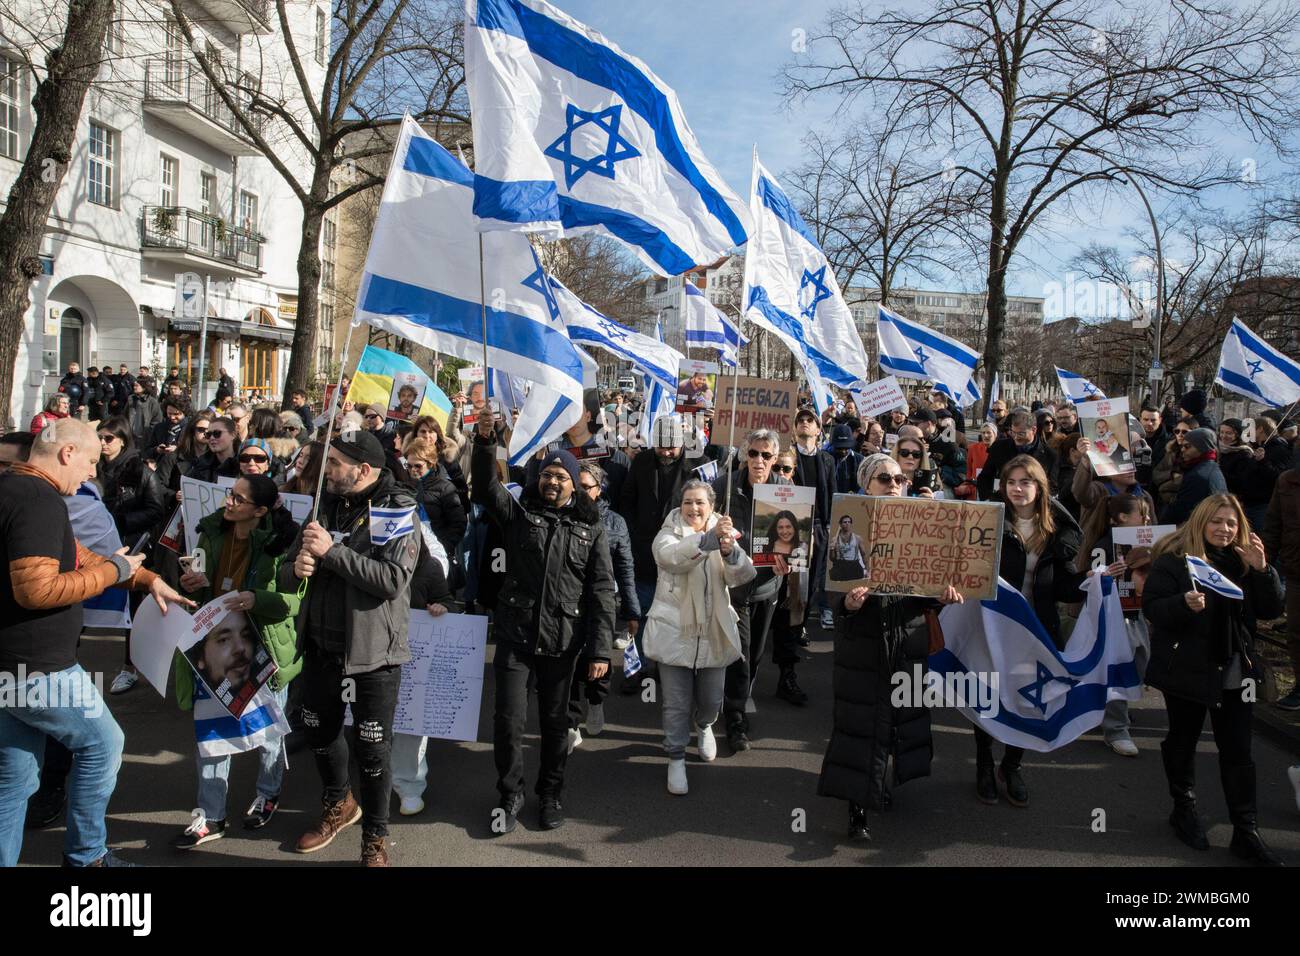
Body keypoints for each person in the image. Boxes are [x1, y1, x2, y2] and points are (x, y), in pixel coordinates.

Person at [0, 417, 191, 867]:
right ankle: (87, 858)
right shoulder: (39, 500)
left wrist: (142, 577)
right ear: (66, 453)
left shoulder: (12, 489)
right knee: (102, 744)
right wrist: (116, 572)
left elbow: (70, 554)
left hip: (11, 667)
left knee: (14, 779)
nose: (91, 473)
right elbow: (37, 589)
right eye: (88, 462)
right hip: (38, 667)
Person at [278, 429, 421, 867]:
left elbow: (391, 580)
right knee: (320, 733)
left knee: (372, 749)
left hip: (373, 654)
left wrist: (330, 554)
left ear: (364, 470)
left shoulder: (397, 508)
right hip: (321, 647)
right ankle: (339, 803)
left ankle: (375, 839)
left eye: (336, 462)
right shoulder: (324, 502)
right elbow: (286, 567)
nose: (326, 468)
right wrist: (296, 567)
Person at [470, 414, 615, 833]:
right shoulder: (518, 515)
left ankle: (550, 793)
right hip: (515, 637)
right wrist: (485, 442)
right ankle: (509, 793)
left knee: (556, 725)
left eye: (561, 477)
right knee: (508, 720)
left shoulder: (592, 528)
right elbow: (484, 488)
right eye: (547, 475)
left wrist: (600, 650)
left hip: (563, 642)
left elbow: (603, 590)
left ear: (574, 484)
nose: (553, 482)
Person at [818, 453, 964, 841]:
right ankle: (857, 808)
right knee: (860, 724)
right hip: (863, 644)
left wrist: (941, 596)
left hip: (907, 636)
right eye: (884, 477)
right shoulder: (848, 525)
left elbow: (929, 590)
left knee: (899, 719)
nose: (894, 482)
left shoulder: (921, 524)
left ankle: (886, 779)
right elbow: (832, 585)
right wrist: (846, 604)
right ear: (867, 484)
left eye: (900, 476)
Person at [1143, 494, 1283, 866]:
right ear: (1201, 521)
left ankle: (1246, 829)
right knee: (1183, 740)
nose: (1224, 529)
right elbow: (1152, 607)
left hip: (1235, 667)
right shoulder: (1175, 559)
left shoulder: (1245, 561)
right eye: (1216, 521)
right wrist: (1182, 605)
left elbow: (1270, 610)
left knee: (1238, 750)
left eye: (1231, 523)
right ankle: (1183, 809)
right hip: (1187, 666)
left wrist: (1262, 570)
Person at [172, 475, 302, 848]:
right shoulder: (210, 531)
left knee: (269, 731)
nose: (228, 502)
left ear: (260, 510)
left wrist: (256, 599)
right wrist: (190, 583)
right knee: (211, 733)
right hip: (215, 647)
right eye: (230, 495)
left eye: (238, 499)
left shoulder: (280, 543)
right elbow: (192, 582)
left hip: (265, 649)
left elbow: (293, 602)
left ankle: (268, 792)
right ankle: (211, 815)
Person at [974, 455, 1085, 807]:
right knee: (988, 698)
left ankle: (1012, 765)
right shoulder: (988, 522)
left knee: (1028, 701)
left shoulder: (1057, 533)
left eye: (1025, 482)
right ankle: (983, 764)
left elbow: (1064, 587)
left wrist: (1094, 583)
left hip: (1037, 629)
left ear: (1040, 487)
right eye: (1011, 482)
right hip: (993, 626)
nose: (1018, 489)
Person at [642, 479, 756, 794]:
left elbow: (743, 576)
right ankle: (676, 756)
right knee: (676, 703)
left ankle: (704, 725)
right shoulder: (668, 534)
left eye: (700, 503)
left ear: (711, 507)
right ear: (680, 505)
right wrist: (707, 541)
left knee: (711, 699)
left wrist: (731, 552)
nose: (694, 508)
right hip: (674, 631)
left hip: (713, 631)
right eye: (688, 502)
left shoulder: (725, 531)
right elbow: (671, 559)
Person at [713, 428, 790, 752]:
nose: (759, 460)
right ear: (745, 454)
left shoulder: (787, 492)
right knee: (740, 656)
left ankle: (738, 698)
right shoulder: (724, 486)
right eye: (754, 453)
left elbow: (800, 536)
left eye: (767, 455)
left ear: (775, 459)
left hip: (768, 585)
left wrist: (791, 555)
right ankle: (735, 719)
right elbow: (701, 521)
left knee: (756, 655)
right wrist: (718, 532)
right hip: (736, 587)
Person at [567, 461, 639, 750]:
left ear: (599, 490)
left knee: (597, 659)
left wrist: (632, 610)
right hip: (567, 601)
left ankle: (595, 701)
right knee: (567, 661)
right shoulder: (561, 513)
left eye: (587, 487)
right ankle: (571, 722)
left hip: (602, 602)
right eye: (577, 485)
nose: (581, 491)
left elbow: (626, 568)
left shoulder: (615, 523)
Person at [95, 416, 167, 695]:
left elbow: (156, 509)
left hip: (132, 547)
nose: (102, 443)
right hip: (96, 546)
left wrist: (120, 521)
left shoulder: (140, 470)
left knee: (131, 611)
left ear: (123, 440)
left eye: (108, 438)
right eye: (100, 437)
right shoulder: (93, 468)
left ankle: (130, 667)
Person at [620, 415, 690, 688]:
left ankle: (665, 668)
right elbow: (627, 501)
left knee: (672, 618)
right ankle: (635, 670)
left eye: (672, 447)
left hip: (678, 557)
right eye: (661, 447)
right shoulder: (641, 462)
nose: (667, 453)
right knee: (640, 616)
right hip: (644, 554)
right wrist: (633, 534)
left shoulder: (694, 467)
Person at [1088, 495, 1155, 756]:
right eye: (1142, 514)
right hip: (1113, 617)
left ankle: (1111, 707)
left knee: (1141, 663)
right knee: (1118, 668)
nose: (1147, 519)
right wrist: (1103, 576)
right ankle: (1116, 728)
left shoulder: (1148, 545)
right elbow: (1088, 582)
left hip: (1138, 614)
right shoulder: (1104, 546)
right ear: (1122, 518)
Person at [764, 479, 811, 705]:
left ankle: (787, 678)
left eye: (789, 526)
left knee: (789, 632)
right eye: (780, 527)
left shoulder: (801, 547)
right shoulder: (765, 544)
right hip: (761, 585)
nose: (785, 530)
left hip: (791, 587)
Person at [1262, 455, 1300, 711]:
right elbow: (1273, 526)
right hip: (1296, 570)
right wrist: (1261, 563)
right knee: (1296, 633)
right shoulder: (1287, 481)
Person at [792, 407, 836, 629]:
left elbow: (833, 492)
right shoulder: (787, 457)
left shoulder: (827, 460)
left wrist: (829, 526)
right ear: (794, 428)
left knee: (811, 580)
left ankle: (800, 626)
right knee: (792, 578)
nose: (805, 423)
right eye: (801, 420)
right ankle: (787, 628)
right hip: (792, 525)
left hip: (818, 526)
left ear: (819, 430)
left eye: (810, 420)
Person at [403, 437, 468, 565]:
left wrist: (442, 548)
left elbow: (458, 524)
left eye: (418, 466)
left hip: (435, 556)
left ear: (430, 463)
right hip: (408, 552)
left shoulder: (445, 487)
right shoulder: (403, 484)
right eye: (409, 466)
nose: (413, 470)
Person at [977, 411, 1059, 500]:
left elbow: (1052, 486)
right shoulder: (999, 448)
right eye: (1013, 432)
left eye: (1021, 433)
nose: (1016, 437)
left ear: (1034, 430)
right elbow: (985, 477)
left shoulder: (1050, 455)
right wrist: (989, 499)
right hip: (1005, 502)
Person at [1161, 427, 1226, 526]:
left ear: (1202, 448)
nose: (1182, 450)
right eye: (1182, 446)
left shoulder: (1199, 476)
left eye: (1187, 446)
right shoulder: (1209, 468)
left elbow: (1181, 512)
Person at [187, 416, 240, 483]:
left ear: (233, 434)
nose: (211, 438)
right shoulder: (202, 464)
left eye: (217, 433)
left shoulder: (244, 463)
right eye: (208, 435)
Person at [828, 423, 863, 493]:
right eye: (839, 448)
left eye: (846, 448)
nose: (843, 451)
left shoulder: (860, 460)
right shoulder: (825, 459)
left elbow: (862, 486)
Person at [126, 379, 162, 448]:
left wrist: (149, 432)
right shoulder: (131, 398)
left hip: (145, 436)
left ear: (144, 387)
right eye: (134, 385)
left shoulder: (152, 401)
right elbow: (125, 414)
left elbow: (157, 419)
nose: (134, 387)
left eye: (137, 385)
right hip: (131, 435)